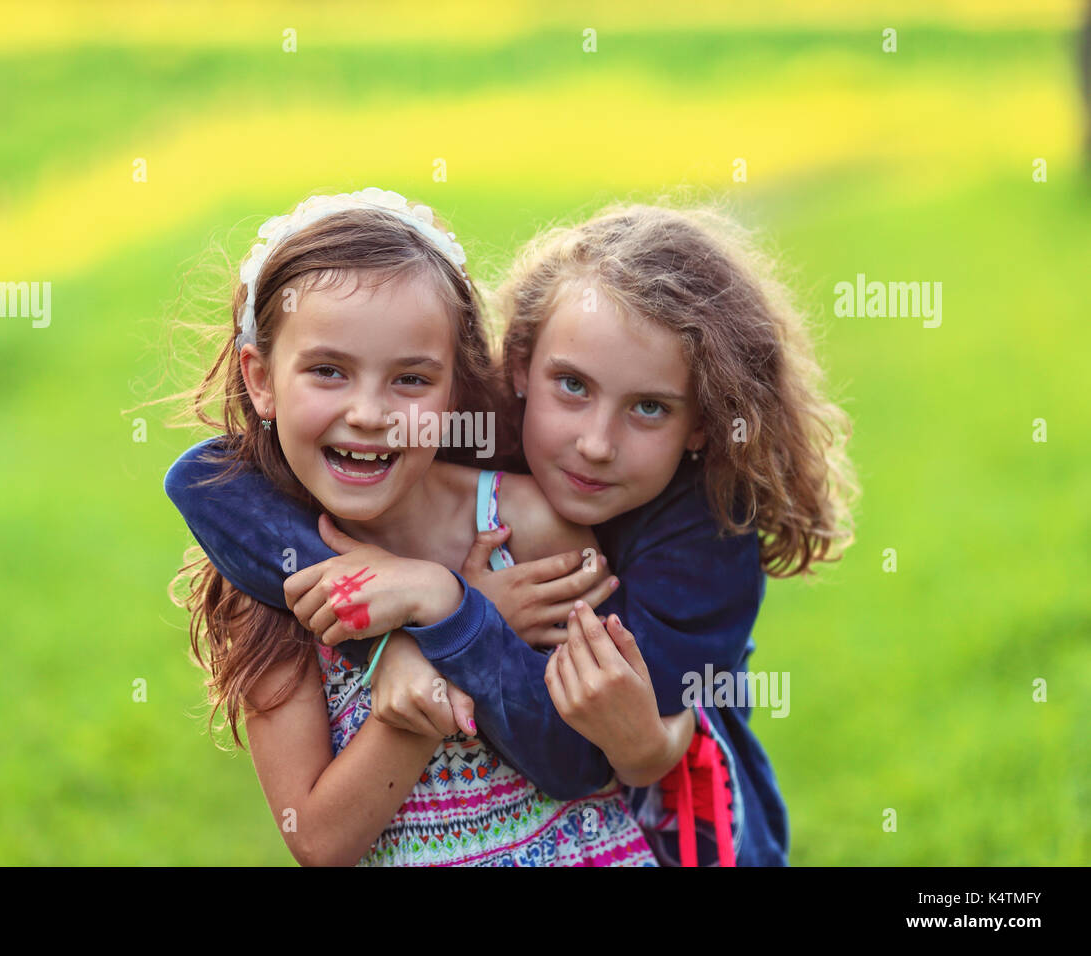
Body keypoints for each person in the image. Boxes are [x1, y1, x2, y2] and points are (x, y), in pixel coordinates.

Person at [168, 200, 857, 866]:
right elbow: (200, 480)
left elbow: (607, 752)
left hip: (685, 828)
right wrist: (395, 641)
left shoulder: (683, 532)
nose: (594, 444)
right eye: (572, 386)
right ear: (518, 368)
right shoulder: (453, 455)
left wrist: (445, 607)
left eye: (649, 407)